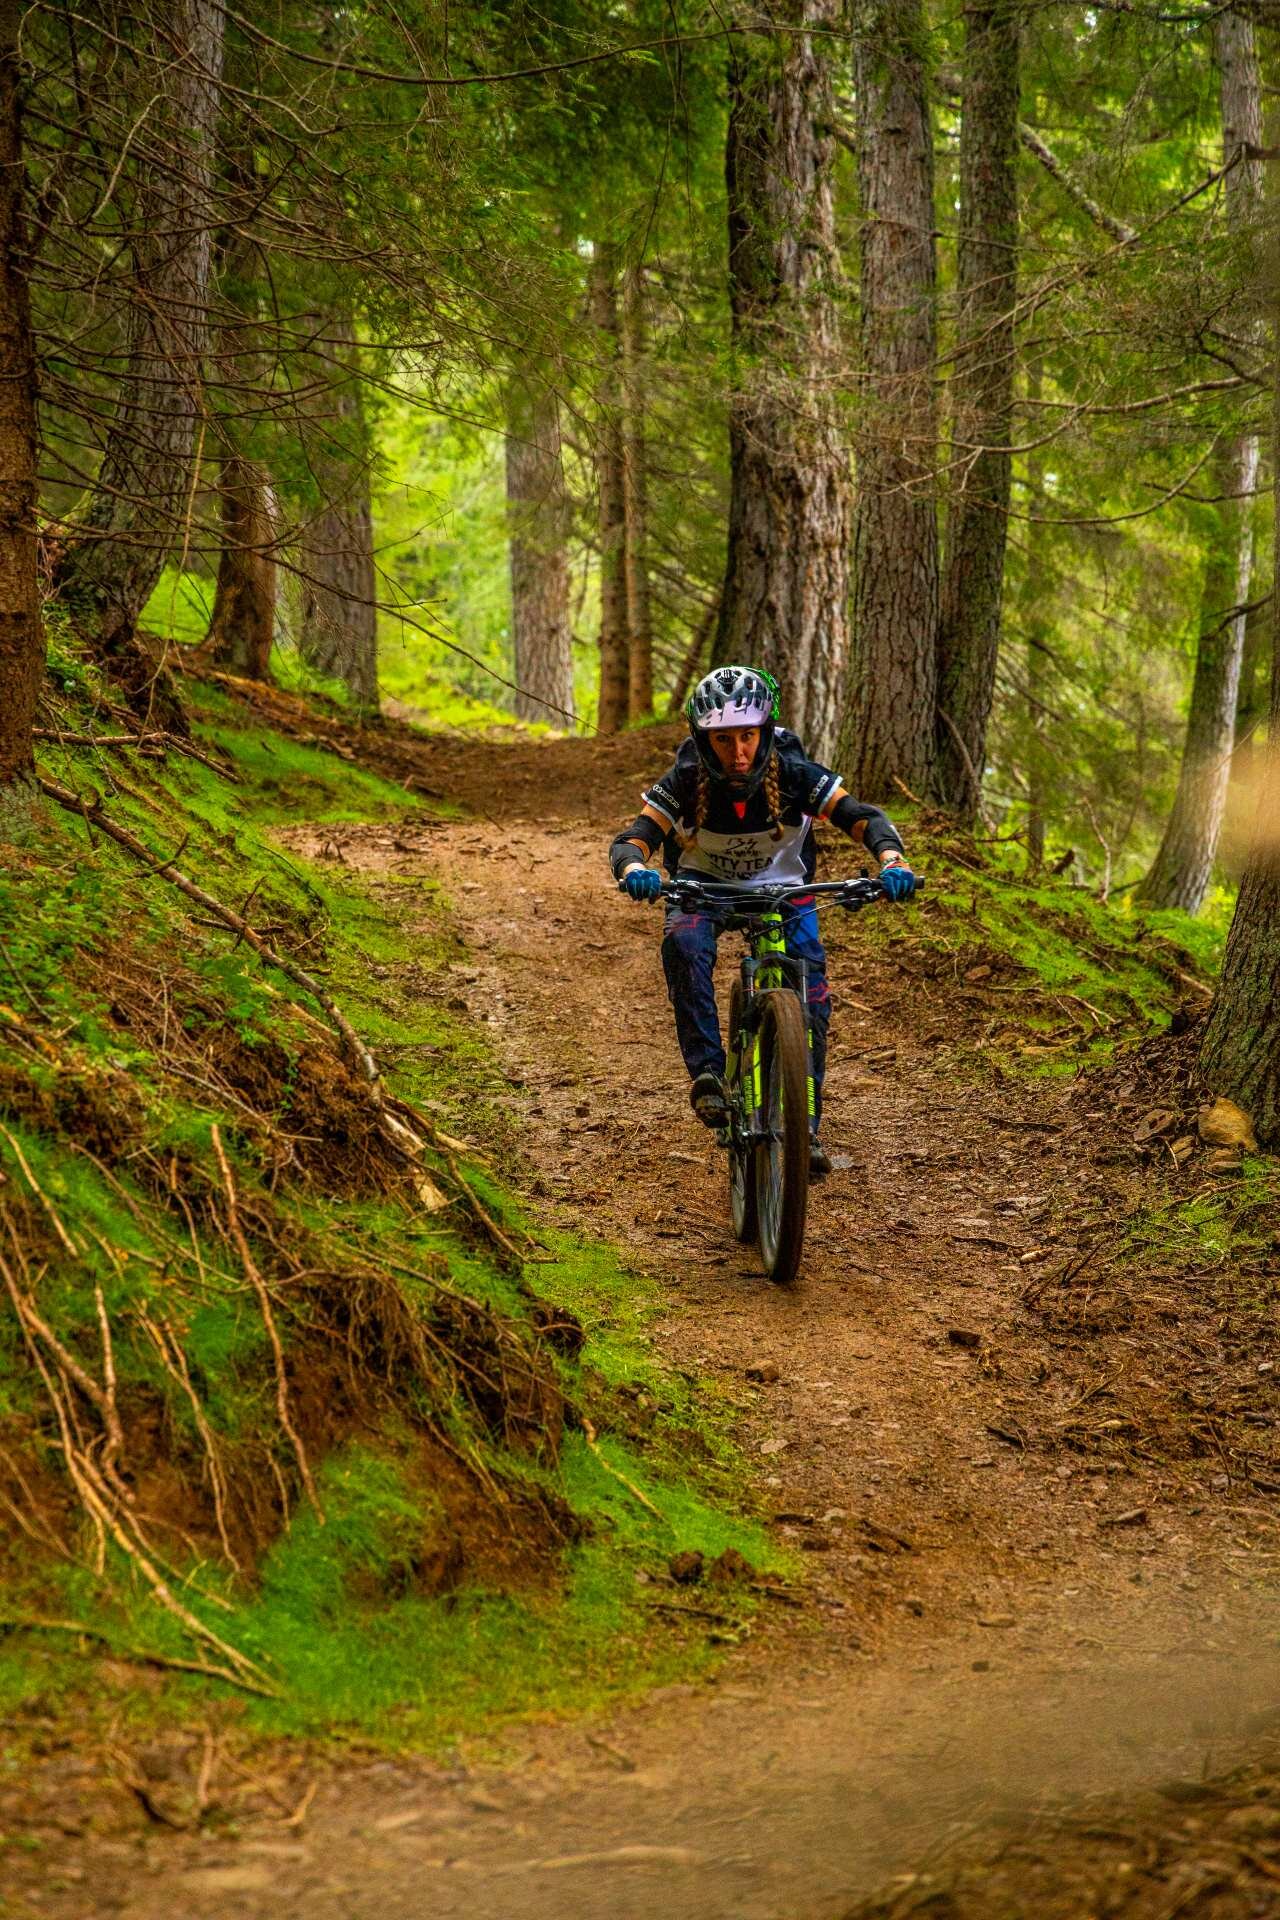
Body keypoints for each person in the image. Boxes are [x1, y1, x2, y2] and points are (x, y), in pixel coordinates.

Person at [607, 664, 917, 1180]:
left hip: (788, 896)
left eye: (748, 735)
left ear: (766, 730)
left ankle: (806, 1128)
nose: (738, 752)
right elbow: (634, 837)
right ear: (703, 740)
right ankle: (708, 1074)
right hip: (702, 891)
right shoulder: (686, 777)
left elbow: (862, 817)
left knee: (813, 998)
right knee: (684, 948)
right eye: (723, 739)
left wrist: (891, 860)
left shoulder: (796, 772)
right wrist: (635, 867)